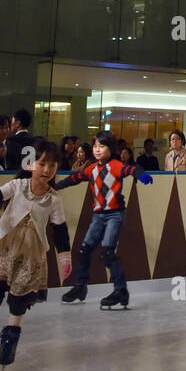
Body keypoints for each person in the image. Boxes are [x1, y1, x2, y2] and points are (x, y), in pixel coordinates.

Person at [0, 140, 71, 366]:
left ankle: (10, 338)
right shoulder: (19, 186)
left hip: (31, 252)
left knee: (19, 297)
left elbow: (60, 230)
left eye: (52, 165)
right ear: (31, 164)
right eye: (42, 164)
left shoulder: (54, 199)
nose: (47, 170)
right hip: (4, 246)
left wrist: (65, 256)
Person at [55, 130, 152, 309]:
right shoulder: (92, 169)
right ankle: (80, 287)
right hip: (98, 215)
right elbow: (75, 178)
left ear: (111, 147)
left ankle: (121, 291)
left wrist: (141, 175)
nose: (97, 150)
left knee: (107, 252)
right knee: (84, 250)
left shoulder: (115, 165)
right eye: (95, 146)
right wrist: (55, 186)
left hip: (115, 214)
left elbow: (132, 169)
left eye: (102, 146)